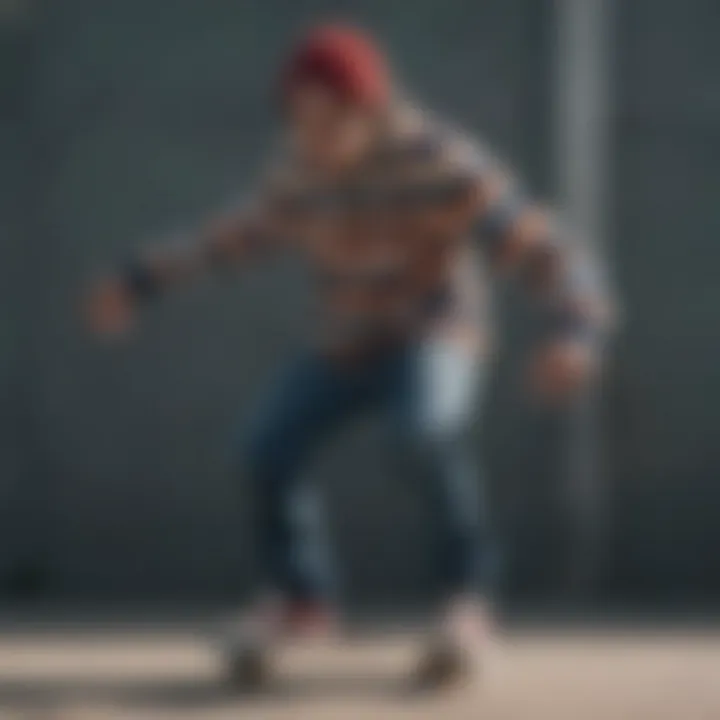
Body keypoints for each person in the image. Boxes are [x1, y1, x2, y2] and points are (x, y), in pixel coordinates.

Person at [85, 23, 609, 689]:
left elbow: (546, 249)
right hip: (344, 341)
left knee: (422, 429)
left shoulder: (439, 160)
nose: (317, 140)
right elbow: (232, 238)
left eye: (332, 122)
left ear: (374, 112)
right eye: (302, 122)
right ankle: (304, 601)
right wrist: (138, 279)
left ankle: (467, 603)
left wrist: (576, 333)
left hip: (432, 334)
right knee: (265, 446)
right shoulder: (298, 171)